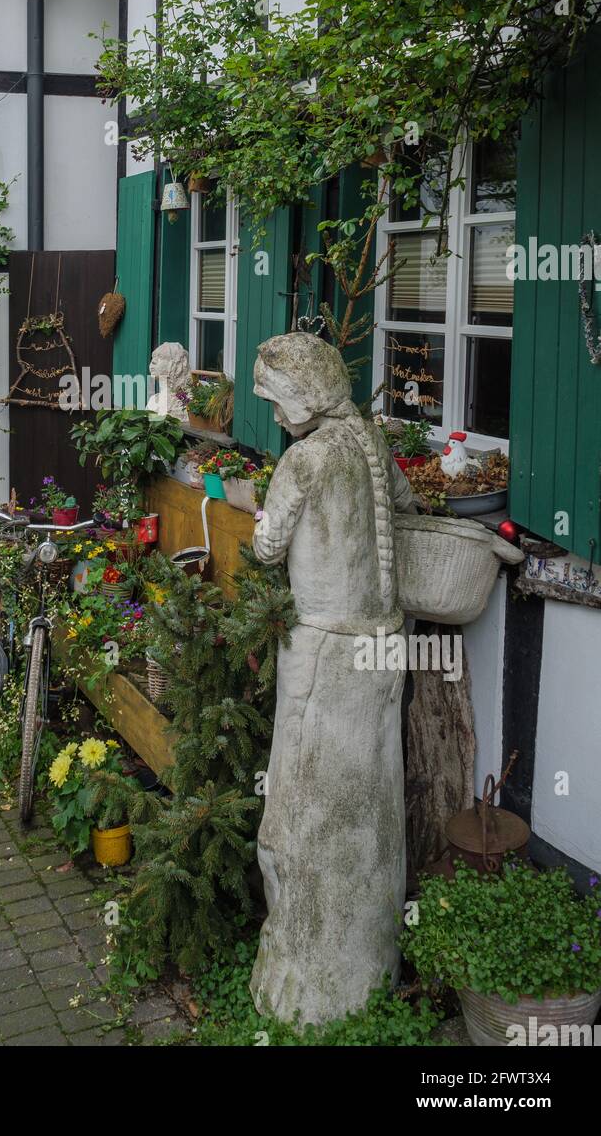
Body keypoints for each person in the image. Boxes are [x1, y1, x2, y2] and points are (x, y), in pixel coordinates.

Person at [250, 331, 418, 1026]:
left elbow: (265, 546)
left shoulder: (306, 458)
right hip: (382, 647)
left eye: (273, 397)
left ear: (299, 395)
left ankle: (310, 986)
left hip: (322, 649)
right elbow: (405, 509)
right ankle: (370, 964)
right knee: (371, 810)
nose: (271, 413)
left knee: (301, 810)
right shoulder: (372, 445)